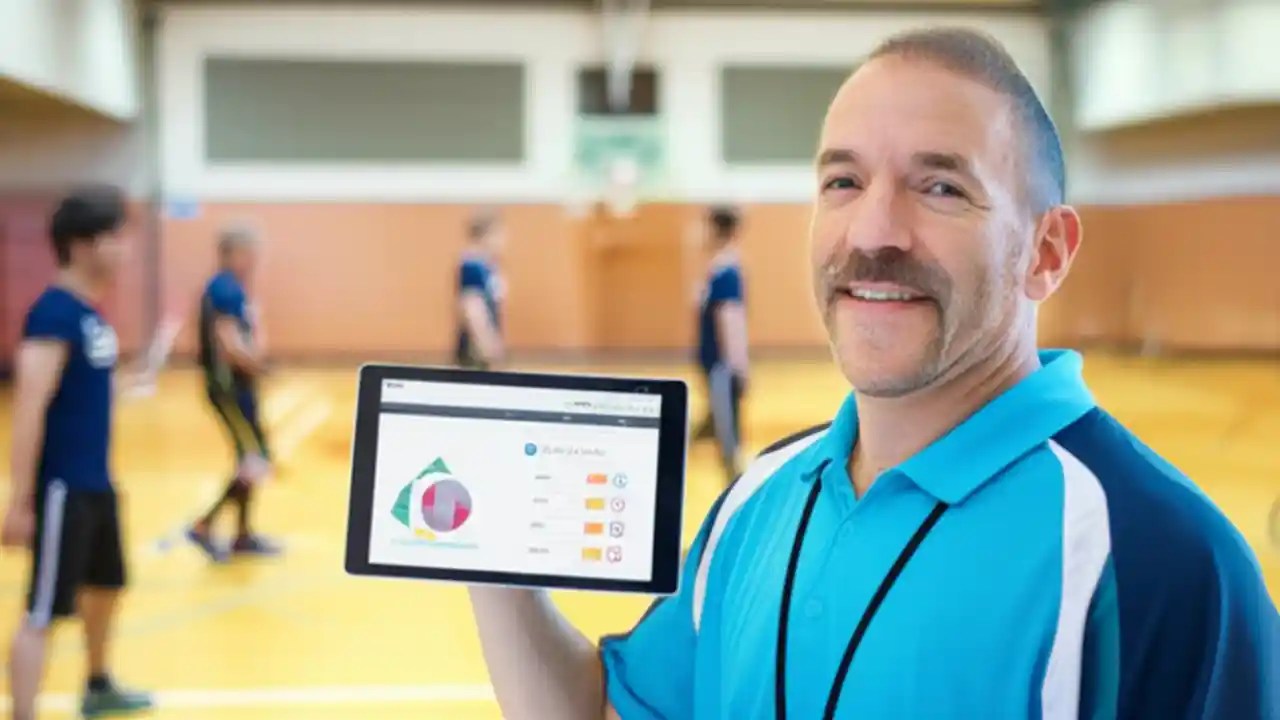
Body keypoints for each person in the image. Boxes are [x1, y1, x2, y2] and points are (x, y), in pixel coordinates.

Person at [467, 27, 1279, 719]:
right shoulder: (759, 499)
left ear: (1047, 252)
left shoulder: (1156, 558)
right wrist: (493, 561)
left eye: (941, 187)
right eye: (844, 182)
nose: (873, 231)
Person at [2, 186, 154, 719]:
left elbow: (83, 391)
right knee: (42, 611)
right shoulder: (54, 314)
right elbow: (29, 407)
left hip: (97, 481)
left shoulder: (90, 315)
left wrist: (125, 385)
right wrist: (20, 501)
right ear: (83, 244)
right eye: (116, 237)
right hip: (62, 488)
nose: (125, 249)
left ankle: (97, 685)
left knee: (106, 586)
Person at [186, 223, 279, 562]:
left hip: (238, 387)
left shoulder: (233, 289)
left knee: (251, 459)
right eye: (251, 253)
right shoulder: (225, 289)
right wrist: (260, 366)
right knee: (255, 458)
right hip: (230, 389)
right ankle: (203, 524)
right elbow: (230, 342)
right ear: (235, 253)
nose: (255, 261)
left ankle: (243, 534)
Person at [690, 206, 750, 484]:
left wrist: (739, 366)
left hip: (722, 368)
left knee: (728, 439)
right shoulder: (716, 271)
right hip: (712, 366)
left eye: (705, 226)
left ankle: (738, 488)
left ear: (716, 230)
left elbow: (731, 320)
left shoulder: (728, 273)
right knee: (716, 423)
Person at [454, 210, 505, 370]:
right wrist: (486, 342)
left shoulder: (489, 265)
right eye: (499, 235)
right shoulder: (472, 265)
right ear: (486, 235)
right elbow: (472, 305)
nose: (503, 241)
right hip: (475, 348)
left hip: (484, 340)